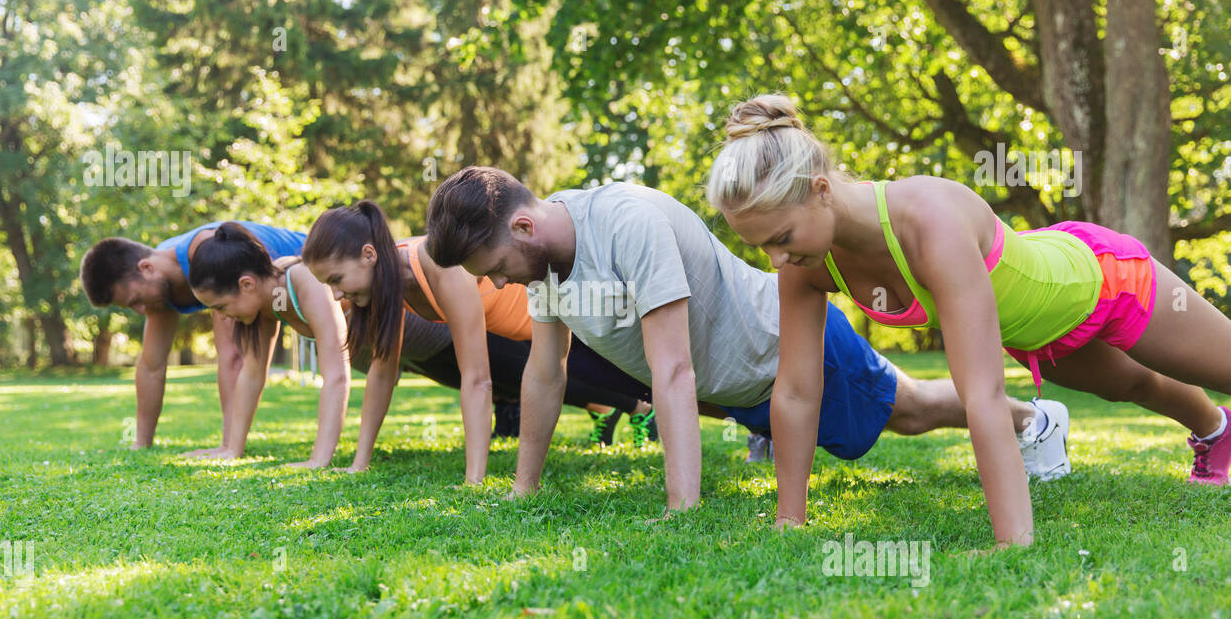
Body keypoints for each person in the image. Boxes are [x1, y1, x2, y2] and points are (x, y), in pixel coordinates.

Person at [705, 93, 1231, 547]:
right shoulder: (808, 264)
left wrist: (1013, 543)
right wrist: (788, 522)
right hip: (1042, 334)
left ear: (820, 190)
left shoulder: (930, 221)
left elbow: (981, 394)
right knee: (1138, 385)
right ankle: (1217, 433)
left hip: (1104, 281)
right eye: (761, 246)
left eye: (781, 239)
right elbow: (797, 391)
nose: (774, 260)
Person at [422, 166, 1065, 518]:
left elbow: (672, 372)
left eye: (496, 267)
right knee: (900, 413)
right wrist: (523, 488)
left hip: (784, 350)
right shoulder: (545, 262)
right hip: (736, 390)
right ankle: (767, 431)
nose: (498, 283)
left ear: (525, 225)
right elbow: (543, 372)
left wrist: (683, 509)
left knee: (911, 411)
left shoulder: (627, 223)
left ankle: (1035, 421)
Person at [299, 200, 656, 483]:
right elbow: (381, 374)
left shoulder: (439, 267)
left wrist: (475, 480)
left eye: (336, 279)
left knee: (657, 381)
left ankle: (646, 413)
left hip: (569, 325)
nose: (334, 295)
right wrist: (360, 463)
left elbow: (477, 378)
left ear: (368, 255)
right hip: (531, 334)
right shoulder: (386, 283)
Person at [79, 221, 305, 453]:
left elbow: (234, 357)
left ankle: (232, 443)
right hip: (289, 303)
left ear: (146, 268)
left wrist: (228, 448)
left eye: (135, 299)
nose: (141, 310)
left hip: (317, 269)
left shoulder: (208, 254)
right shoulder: (159, 282)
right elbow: (151, 367)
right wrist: (141, 444)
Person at [186, 223, 349, 467]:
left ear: (247, 284)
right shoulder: (264, 303)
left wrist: (318, 460)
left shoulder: (303, 279)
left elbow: (337, 374)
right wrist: (231, 449)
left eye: (220, 307)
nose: (221, 317)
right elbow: (251, 374)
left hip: (416, 332)